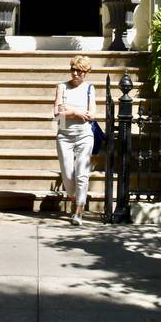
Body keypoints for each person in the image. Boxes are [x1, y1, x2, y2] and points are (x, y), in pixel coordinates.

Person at [54, 56, 97, 226]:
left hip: (84, 135)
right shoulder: (62, 87)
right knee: (67, 173)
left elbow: (92, 113)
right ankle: (73, 197)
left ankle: (79, 209)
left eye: (79, 71)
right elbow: (57, 112)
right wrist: (76, 113)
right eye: (73, 69)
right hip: (64, 135)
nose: (75, 73)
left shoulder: (89, 89)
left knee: (82, 173)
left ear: (86, 73)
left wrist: (68, 110)